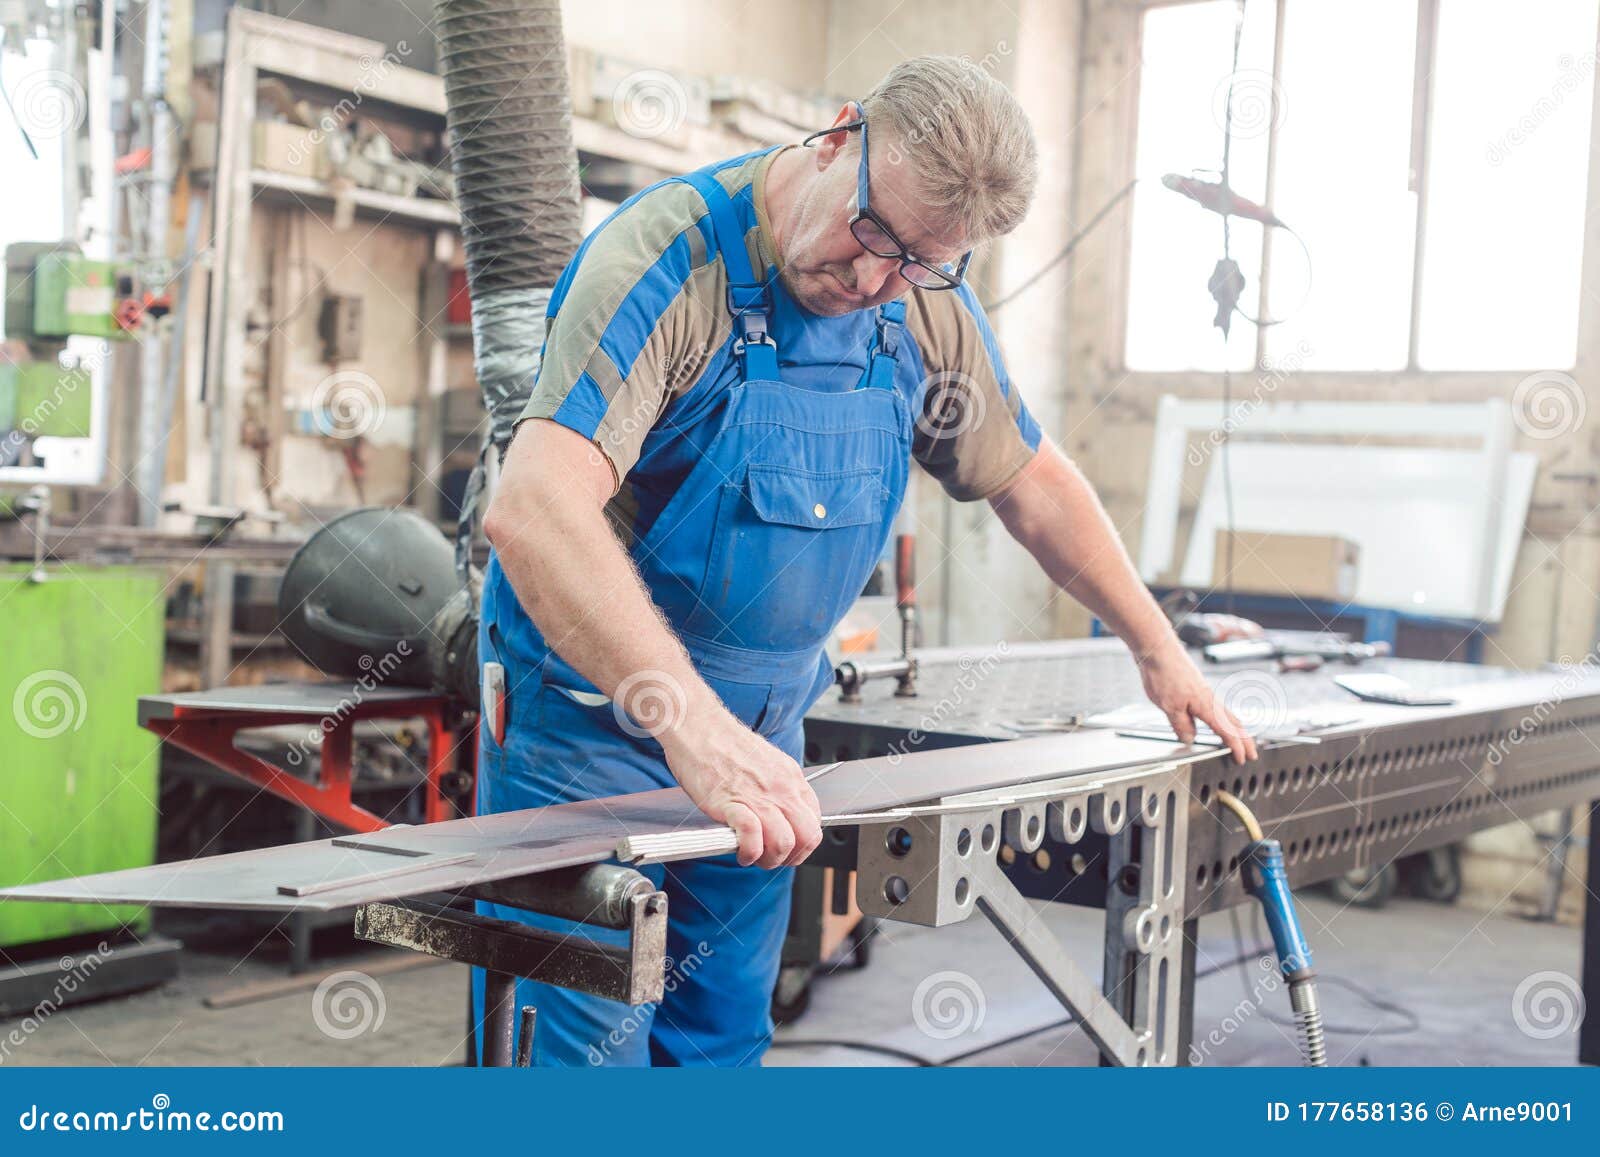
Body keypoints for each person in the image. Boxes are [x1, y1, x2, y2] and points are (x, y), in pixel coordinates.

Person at [475, 55, 1256, 1067]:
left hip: (758, 735)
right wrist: (688, 726)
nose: (872, 280)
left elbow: (1032, 481)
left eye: (922, 262)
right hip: (587, 724)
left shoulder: (917, 299)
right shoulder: (668, 261)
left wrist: (1156, 645)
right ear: (840, 136)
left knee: (715, 1045)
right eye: (873, 233)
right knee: (583, 1061)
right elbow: (533, 510)